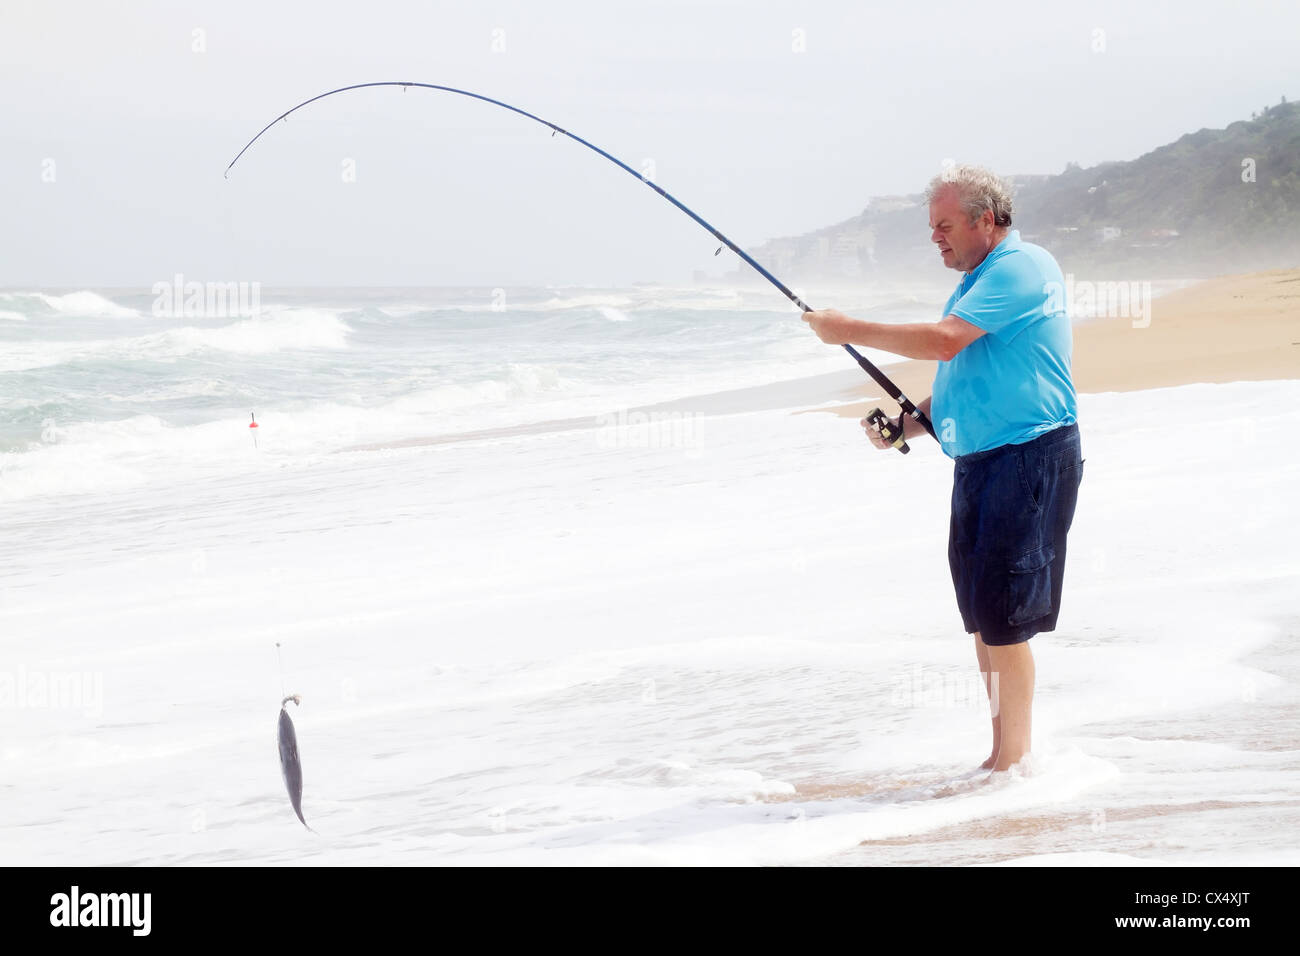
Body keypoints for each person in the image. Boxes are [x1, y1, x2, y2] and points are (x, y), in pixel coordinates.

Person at [802, 164, 1083, 773]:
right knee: (984, 617)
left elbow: (943, 342)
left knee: (1005, 621)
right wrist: (908, 424)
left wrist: (846, 329)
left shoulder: (1022, 266)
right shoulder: (977, 282)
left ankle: (1014, 765)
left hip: (1028, 456)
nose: (936, 237)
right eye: (932, 227)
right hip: (981, 463)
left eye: (945, 225)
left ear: (986, 219)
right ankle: (1000, 756)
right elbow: (965, 375)